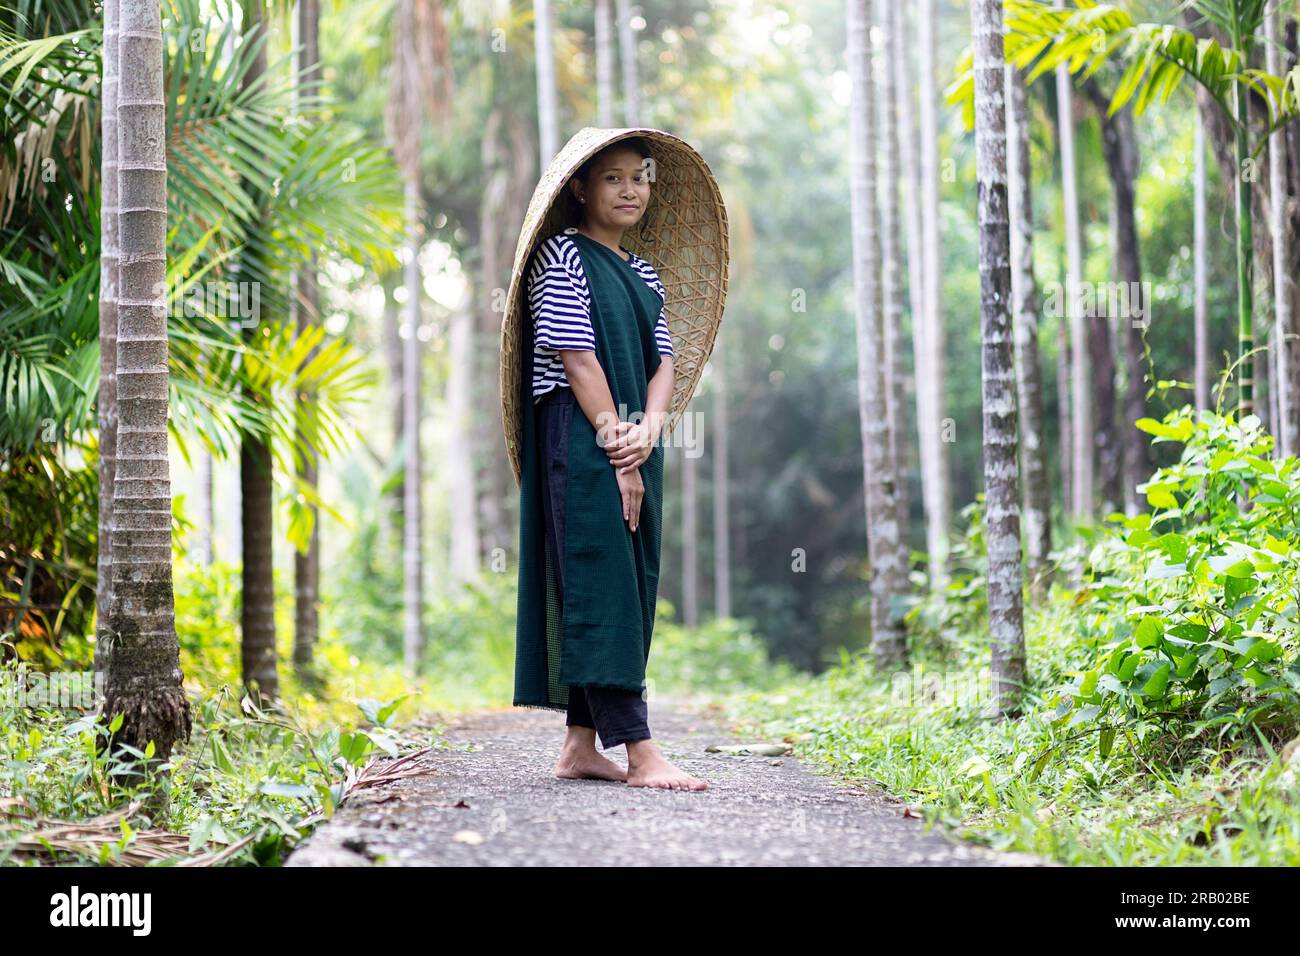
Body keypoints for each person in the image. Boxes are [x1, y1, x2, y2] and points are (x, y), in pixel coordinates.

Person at [524, 138, 707, 792]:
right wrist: (615, 447)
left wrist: (648, 432)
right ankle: (640, 750)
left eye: (639, 179)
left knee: (630, 581)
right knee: (600, 579)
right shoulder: (563, 254)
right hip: (582, 435)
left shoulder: (646, 273)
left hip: (633, 438)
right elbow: (576, 356)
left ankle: (579, 744)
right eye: (613, 179)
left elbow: (665, 363)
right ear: (581, 188)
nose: (630, 190)